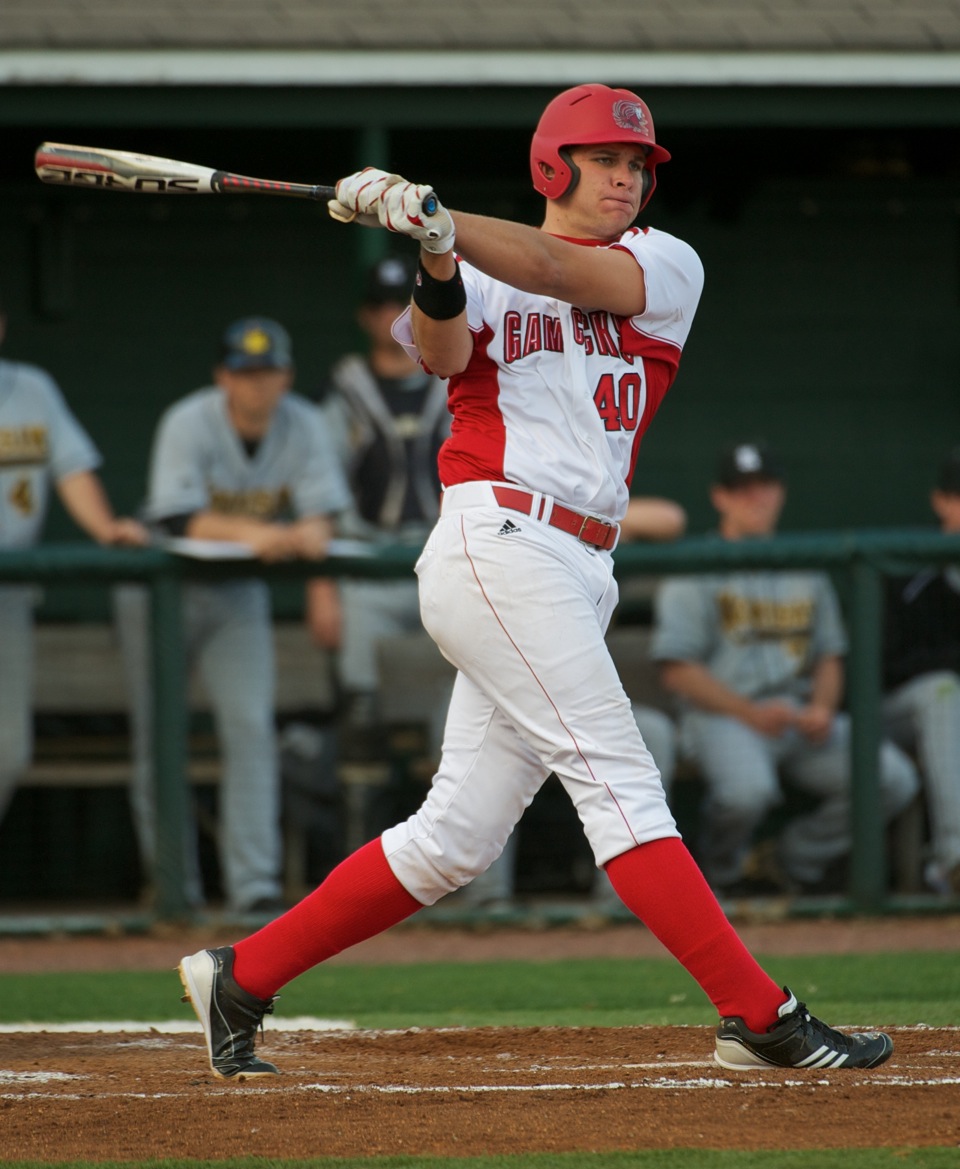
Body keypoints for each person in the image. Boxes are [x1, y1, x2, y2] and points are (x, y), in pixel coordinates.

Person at [178, 83, 896, 1076]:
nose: (628, 179)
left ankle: (242, 977)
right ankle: (758, 1015)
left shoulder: (664, 264)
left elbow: (556, 264)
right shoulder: (479, 268)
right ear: (555, 165)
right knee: (622, 782)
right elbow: (439, 351)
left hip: (576, 562)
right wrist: (433, 253)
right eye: (607, 161)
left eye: (639, 165)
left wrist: (433, 214)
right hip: (499, 539)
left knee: (454, 839)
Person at [115, 317, 351, 917]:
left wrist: (311, 534)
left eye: (268, 372)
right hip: (161, 592)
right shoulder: (188, 420)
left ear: (286, 375)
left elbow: (325, 512)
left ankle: (254, 887)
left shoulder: (304, 423)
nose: (257, 385)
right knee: (158, 738)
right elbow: (174, 518)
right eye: (245, 373)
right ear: (224, 377)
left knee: (249, 728)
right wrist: (262, 533)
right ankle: (175, 890)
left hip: (237, 595)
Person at [650, 441, 919, 897]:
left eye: (765, 486)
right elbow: (677, 670)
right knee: (746, 793)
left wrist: (821, 706)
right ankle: (721, 873)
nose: (756, 497)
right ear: (720, 497)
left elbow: (830, 656)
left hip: (797, 718)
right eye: (742, 489)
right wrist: (748, 713)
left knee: (892, 779)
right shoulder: (692, 568)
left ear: (780, 492)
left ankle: (788, 859)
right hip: (725, 716)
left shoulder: (805, 566)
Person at [457, 494, 684, 912]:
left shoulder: (582, 511)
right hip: (500, 695)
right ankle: (489, 905)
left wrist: (569, 517)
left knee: (647, 737)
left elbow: (669, 518)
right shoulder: (487, 518)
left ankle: (622, 904)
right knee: (441, 840)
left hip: (570, 698)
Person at [306, 254, 453, 847]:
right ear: (368, 317)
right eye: (385, 308)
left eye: (407, 306)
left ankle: (451, 857)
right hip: (364, 567)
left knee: (461, 707)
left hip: (441, 563)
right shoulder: (343, 389)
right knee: (362, 716)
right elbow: (319, 495)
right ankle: (361, 850)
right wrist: (323, 585)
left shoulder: (454, 375)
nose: (397, 317)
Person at [0, 292, 147, 830]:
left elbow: (71, 469)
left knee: (8, 749)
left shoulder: (31, 387)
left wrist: (107, 529)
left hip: (9, 593)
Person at [881, 446, 960, 897]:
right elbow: (885, 667)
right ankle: (954, 862)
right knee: (943, 692)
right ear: (942, 502)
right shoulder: (909, 573)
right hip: (900, 715)